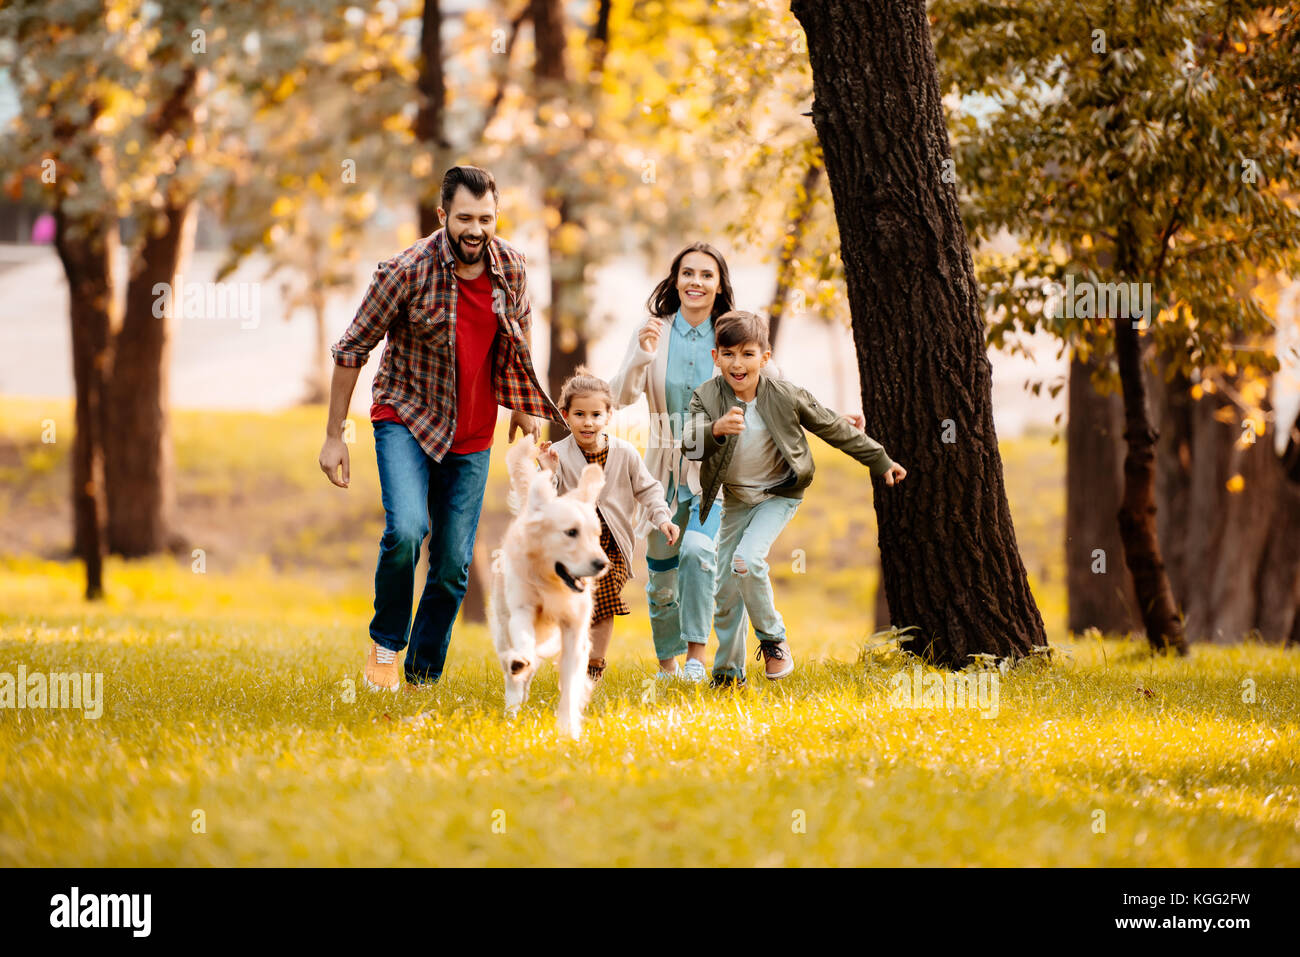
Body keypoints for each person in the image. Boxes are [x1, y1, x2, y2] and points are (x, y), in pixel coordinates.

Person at [318, 165, 562, 691]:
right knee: (406, 530)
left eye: (486, 219)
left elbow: (521, 330)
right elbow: (350, 349)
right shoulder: (405, 271)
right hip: (407, 416)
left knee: (452, 566)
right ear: (442, 216)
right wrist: (335, 434)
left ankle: (422, 676)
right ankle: (386, 646)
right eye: (464, 218)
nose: (475, 230)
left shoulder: (513, 268)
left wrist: (523, 403)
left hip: (472, 435)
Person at [682, 310, 907, 685]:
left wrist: (878, 458)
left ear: (764, 358)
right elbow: (688, 442)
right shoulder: (706, 397)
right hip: (737, 499)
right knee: (724, 591)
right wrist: (715, 429)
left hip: (779, 494)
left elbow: (830, 425)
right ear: (715, 357)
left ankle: (773, 639)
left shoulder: (783, 394)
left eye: (748, 354)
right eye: (729, 354)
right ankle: (727, 673)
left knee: (746, 561)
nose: (738, 364)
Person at [608, 243, 747, 682]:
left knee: (699, 553)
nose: (695, 282)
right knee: (661, 576)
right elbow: (619, 396)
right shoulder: (653, 329)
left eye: (706, 275)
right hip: (659, 469)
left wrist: (831, 417)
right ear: (674, 279)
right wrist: (641, 355)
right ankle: (666, 664)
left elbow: (774, 385)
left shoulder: (730, 334)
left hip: (711, 468)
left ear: (719, 284)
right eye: (687, 273)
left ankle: (695, 660)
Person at [539, 369, 680, 683]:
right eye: (579, 414)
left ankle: (594, 667)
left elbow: (648, 489)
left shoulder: (624, 453)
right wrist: (547, 471)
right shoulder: (558, 454)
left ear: (608, 415)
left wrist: (663, 518)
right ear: (565, 416)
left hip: (612, 547)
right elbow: (546, 500)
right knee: (574, 605)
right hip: (573, 548)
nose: (587, 422)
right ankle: (573, 656)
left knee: (602, 604)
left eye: (595, 414)